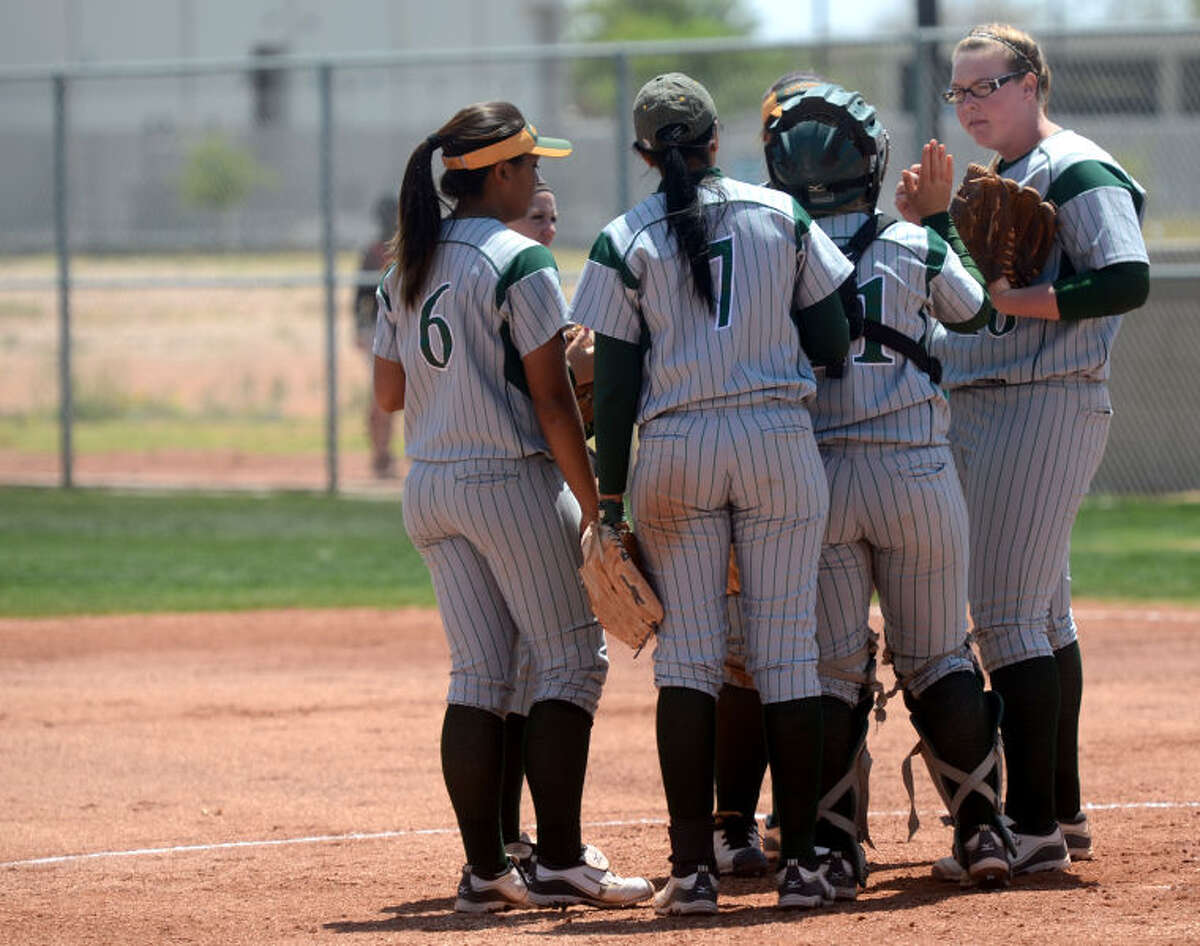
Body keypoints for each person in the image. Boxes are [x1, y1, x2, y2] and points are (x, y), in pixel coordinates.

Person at [571, 72, 855, 914]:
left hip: (675, 448)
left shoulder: (624, 236)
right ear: (716, 140)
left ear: (642, 152)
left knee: (688, 661)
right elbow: (833, 338)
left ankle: (692, 871)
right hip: (776, 440)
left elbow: (614, 385)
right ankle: (802, 866)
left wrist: (609, 504)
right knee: (787, 653)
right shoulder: (781, 214)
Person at [372, 101, 653, 913]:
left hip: (430, 486)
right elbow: (555, 402)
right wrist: (602, 505)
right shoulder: (518, 259)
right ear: (497, 173)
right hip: (506, 479)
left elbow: (389, 394)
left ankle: (486, 871)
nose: (536, 178)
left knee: (481, 675)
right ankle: (559, 860)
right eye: (529, 164)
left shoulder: (407, 264)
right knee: (571, 663)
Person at [903, 23, 1150, 878]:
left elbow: (1126, 277)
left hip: (1043, 400)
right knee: (1041, 617)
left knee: (1006, 617)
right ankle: (1062, 810)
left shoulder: (1075, 167)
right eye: (959, 91)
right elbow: (973, 295)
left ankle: (1031, 823)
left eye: (988, 86)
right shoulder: (1001, 176)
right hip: (994, 401)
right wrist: (934, 226)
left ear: (1031, 82)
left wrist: (1018, 298)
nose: (970, 104)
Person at [760, 80, 1015, 894]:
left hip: (819, 477)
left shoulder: (773, 247)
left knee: (832, 671)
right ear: (871, 164)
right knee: (939, 655)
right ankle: (983, 831)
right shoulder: (911, 242)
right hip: (915, 472)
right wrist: (939, 221)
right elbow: (975, 314)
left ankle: (836, 850)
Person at [354, 195, 399, 478]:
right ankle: (380, 454)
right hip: (377, 328)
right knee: (381, 396)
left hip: (404, 325)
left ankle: (391, 453)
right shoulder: (373, 252)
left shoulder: (407, 248)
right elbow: (359, 297)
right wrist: (359, 329)